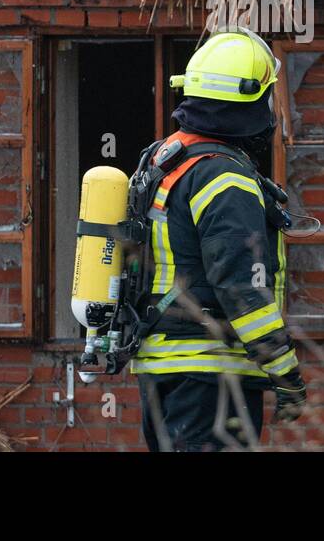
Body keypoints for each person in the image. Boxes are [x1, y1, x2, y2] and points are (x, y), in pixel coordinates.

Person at [131, 29, 306, 450]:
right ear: (249, 101)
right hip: (211, 374)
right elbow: (241, 287)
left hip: (162, 367)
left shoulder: (166, 160)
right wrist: (284, 372)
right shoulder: (225, 177)